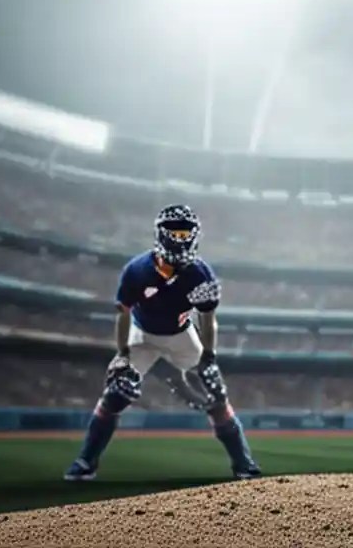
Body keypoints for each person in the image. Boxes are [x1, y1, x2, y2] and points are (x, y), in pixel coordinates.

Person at [63, 204, 261, 482]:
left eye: (186, 233)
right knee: (116, 393)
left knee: (216, 394)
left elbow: (207, 319)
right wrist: (122, 354)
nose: (181, 239)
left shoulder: (200, 273)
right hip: (142, 337)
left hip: (182, 336)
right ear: (162, 234)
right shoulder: (136, 270)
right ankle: (86, 460)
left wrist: (209, 356)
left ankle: (244, 463)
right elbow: (123, 313)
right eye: (175, 233)